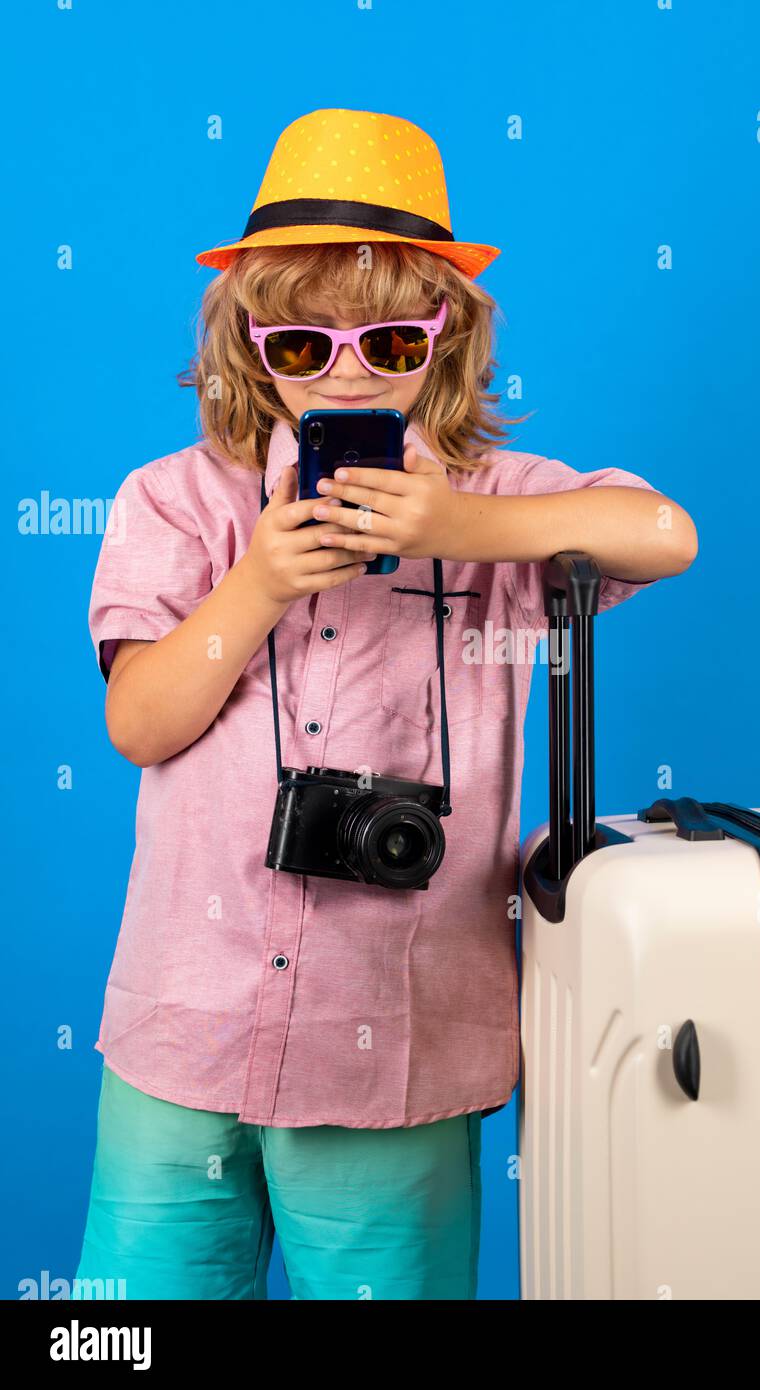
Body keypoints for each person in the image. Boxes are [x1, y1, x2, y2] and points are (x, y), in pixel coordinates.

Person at [75, 108, 698, 1301]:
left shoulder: (507, 503)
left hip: (392, 1046)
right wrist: (257, 578)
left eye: (389, 343)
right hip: (182, 1029)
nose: (348, 371)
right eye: (303, 348)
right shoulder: (173, 502)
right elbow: (139, 723)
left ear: (446, 339)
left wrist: (457, 527)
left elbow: (663, 533)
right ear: (248, 344)